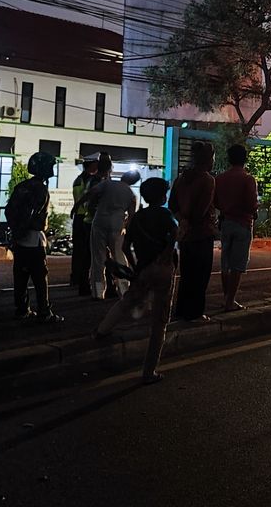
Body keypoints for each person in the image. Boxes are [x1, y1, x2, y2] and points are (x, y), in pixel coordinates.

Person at [94, 177, 178, 385]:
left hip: (143, 269)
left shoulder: (138, 217)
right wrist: (166, 255)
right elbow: (174, 235)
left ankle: (102, 330)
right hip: (163, 270)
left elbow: (124, 247)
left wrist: (135, 266)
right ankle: (149, 372)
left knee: (128, 301)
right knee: (159, 322)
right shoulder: (166, 215)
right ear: (162, 196)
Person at [4, 151, 63, 323]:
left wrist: (16, 233)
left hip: (20, 239)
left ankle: (22, 309)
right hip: (34, 238)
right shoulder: (40, 189)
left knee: (20, 276)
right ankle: (44, 311)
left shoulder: (22, 186)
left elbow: (9, 210)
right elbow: (32, 213)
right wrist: (24, 229)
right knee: (39, 277)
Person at [170, 141, 217, 323]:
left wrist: (182, 221)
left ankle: (181, 310)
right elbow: (202, 210)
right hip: (202, 232)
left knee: (186, 274)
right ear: (208, 159)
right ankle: (195, 313)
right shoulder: (207, 180)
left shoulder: (181, 179)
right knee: (200, 275)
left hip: (185, 235)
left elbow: (173, 205)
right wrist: (191, 221)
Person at [84, 169, 140, 299]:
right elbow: (132, 215)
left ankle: (98, 292)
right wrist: (126, 226)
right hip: (117, 224)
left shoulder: (108, 184)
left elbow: (91, 193)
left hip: (100, 220)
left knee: (98, 257)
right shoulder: (131, 194)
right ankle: (123, 289)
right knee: (119, 256)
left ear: (124, 175)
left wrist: (83, 206)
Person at [214, 144, 258, 312]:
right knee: (237, 265)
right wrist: (254, 208)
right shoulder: (248, 179)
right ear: (244, 159)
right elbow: (251, 203)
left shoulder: (220, 179)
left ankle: (226, 298)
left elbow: (215, 200)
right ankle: (230, 301)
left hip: (225, 222)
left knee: (225, 263)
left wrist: (225, 208)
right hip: (243, 223)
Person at [69, 156, 100, 295]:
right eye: (96, 164)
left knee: (79, 250)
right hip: (85, 217)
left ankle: (76, 277)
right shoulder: (89, 180)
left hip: (79, 217)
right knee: (86, 251)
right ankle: (82, 280)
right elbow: (87, 199)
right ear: (91, 165)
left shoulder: (78, 179)